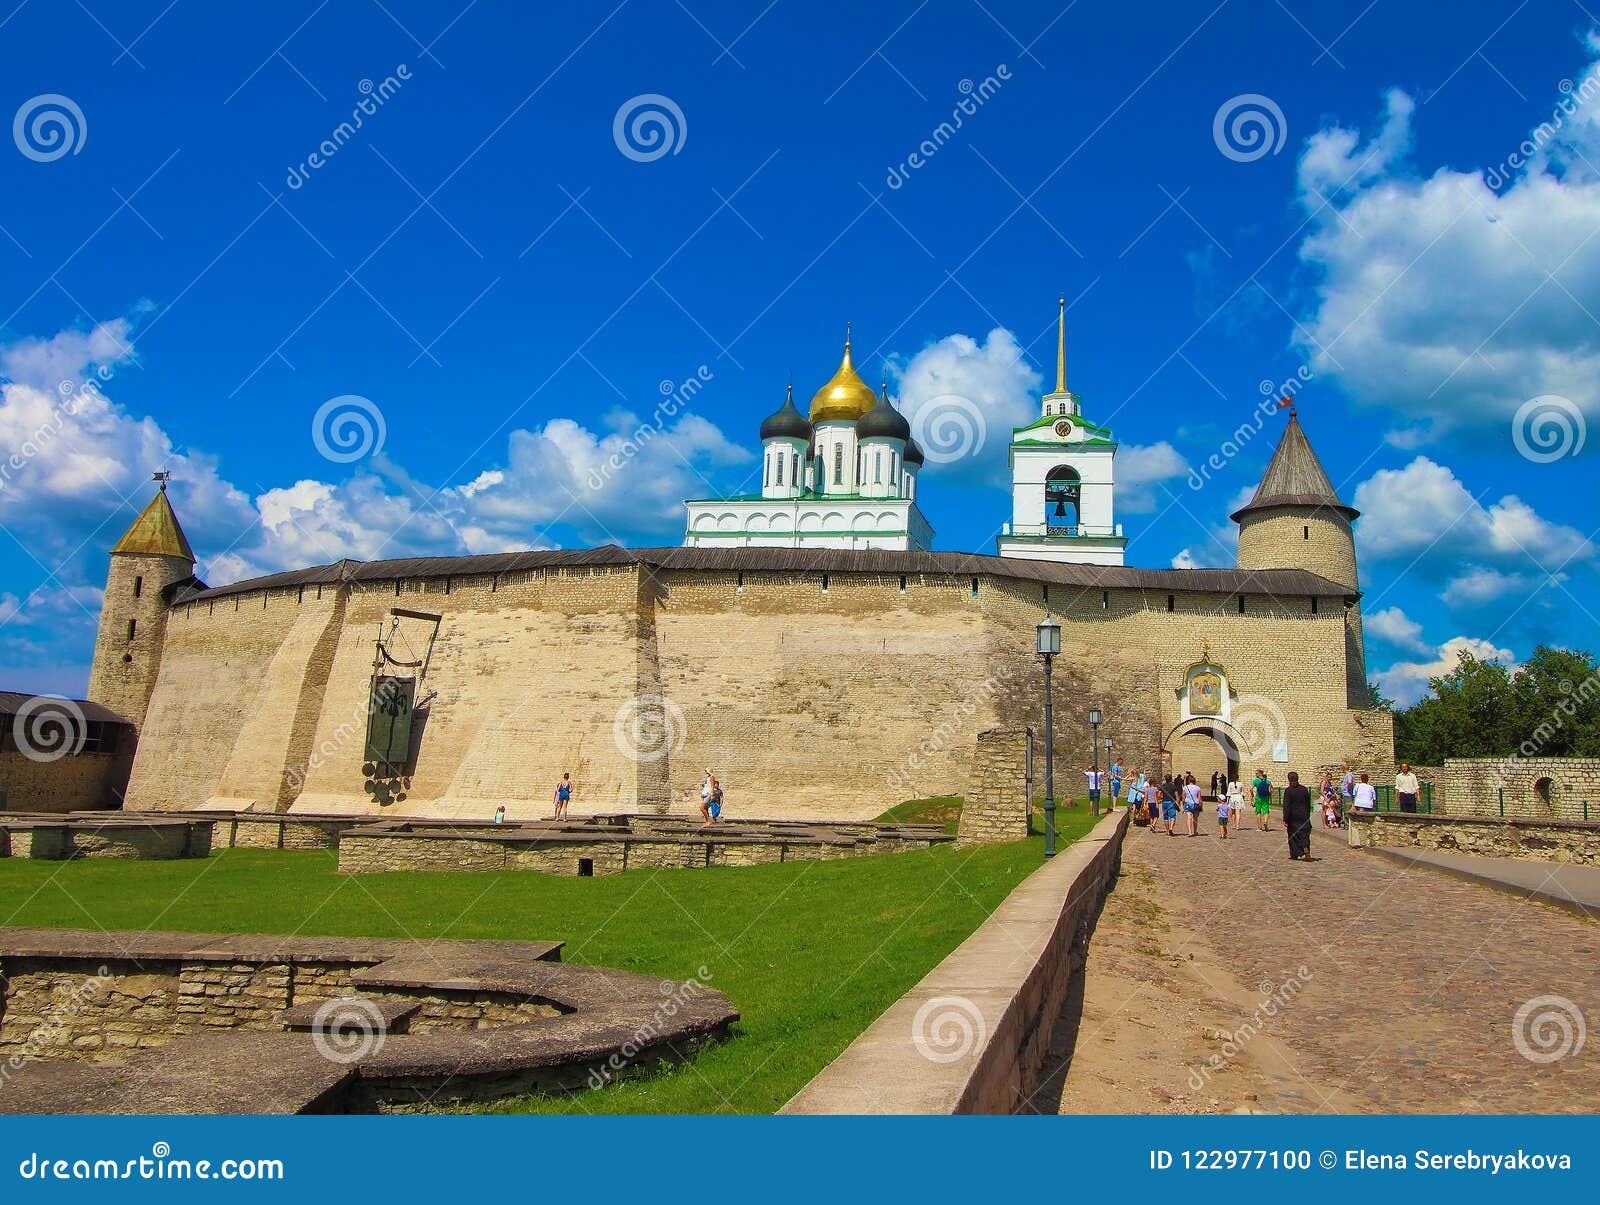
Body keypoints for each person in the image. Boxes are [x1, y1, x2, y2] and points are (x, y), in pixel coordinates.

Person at [1282, 771, 1314, 861]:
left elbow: (1286, 805)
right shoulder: (1304, 789)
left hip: (1293, 817)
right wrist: (1307, 814)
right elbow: (1308, 803)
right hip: (1303, 816)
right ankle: (1306, 850)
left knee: (1293, 835)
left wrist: (1285, 818)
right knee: (1304, 834)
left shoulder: (1288, 791)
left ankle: (1294, 853)